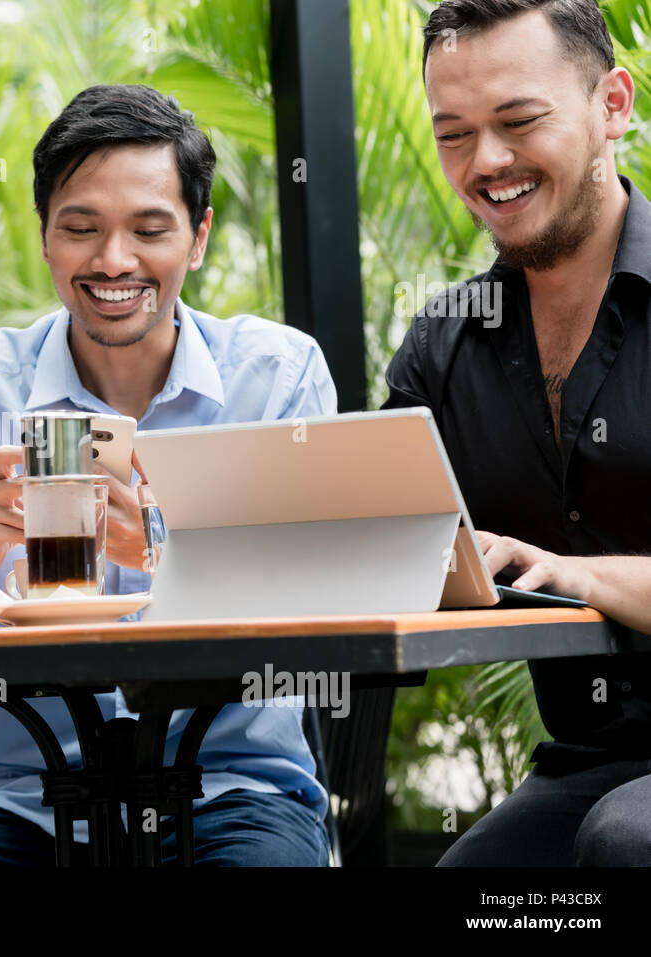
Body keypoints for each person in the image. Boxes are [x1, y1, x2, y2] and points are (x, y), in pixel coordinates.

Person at [0, 84, 337, 866]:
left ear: (198, 238)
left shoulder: (279, 378)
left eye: (149, 229)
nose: (113, 260)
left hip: (233, 790)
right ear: (44, 238)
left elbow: (330, 589)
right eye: (81, 229)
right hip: (21, 796)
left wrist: (165, 551)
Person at [382, 0, 651, 866]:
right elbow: (379, 542)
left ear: (612, 104)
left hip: (622, 817)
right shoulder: (443, 345)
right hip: (590, 762)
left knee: (622, 846)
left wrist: (577, 574)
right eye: (453, 133)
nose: (486, 163)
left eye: (518, 121)